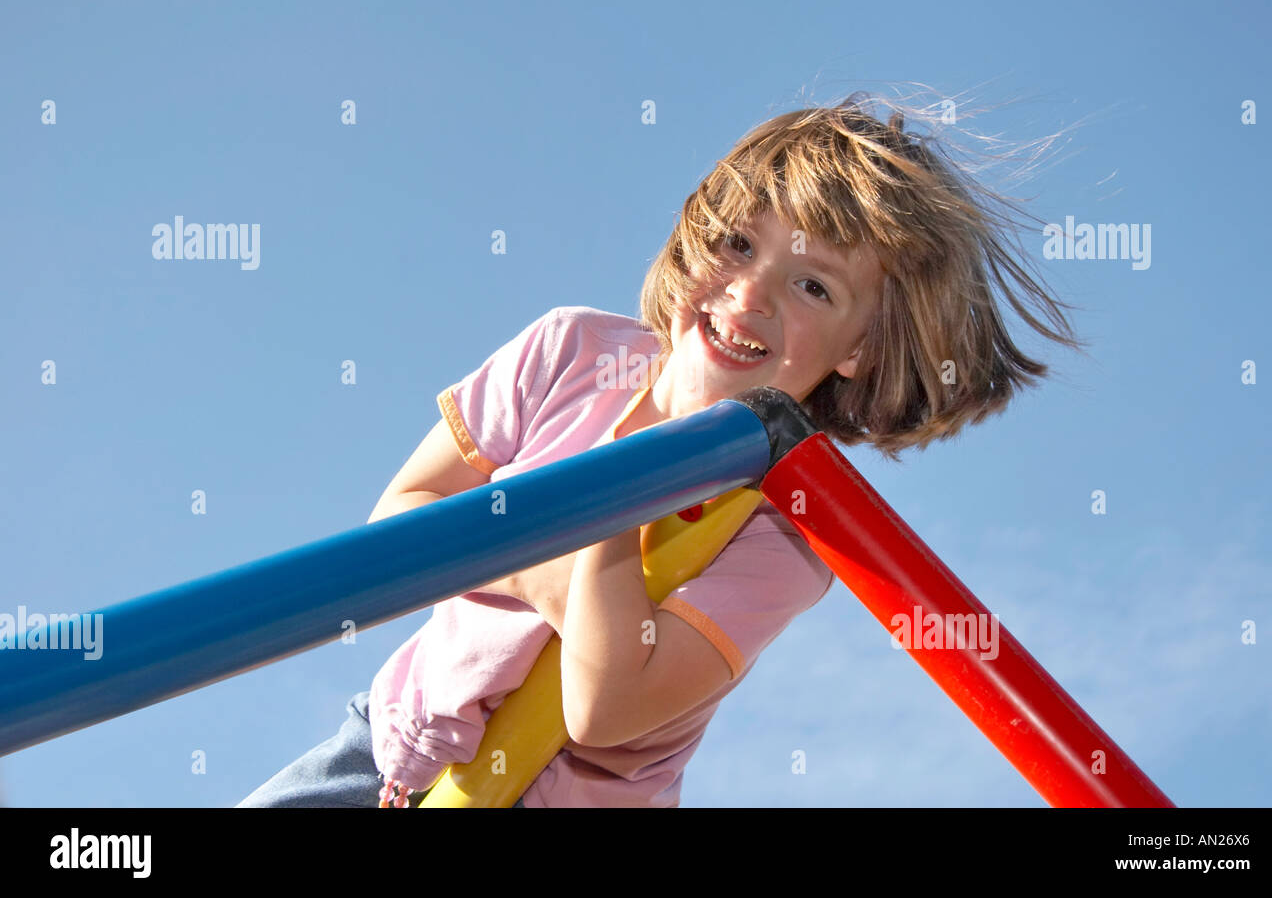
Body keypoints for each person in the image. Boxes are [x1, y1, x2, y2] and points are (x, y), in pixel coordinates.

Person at [237, 93, 1087, 808]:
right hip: (392, 752)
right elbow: (400, 520)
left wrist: (610, 507)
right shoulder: (568, 353)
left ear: (858, 349)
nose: (749, 295)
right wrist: (554, 571)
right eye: (740, 245)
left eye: (813, 285)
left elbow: (607, 708)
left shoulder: (788, 531)